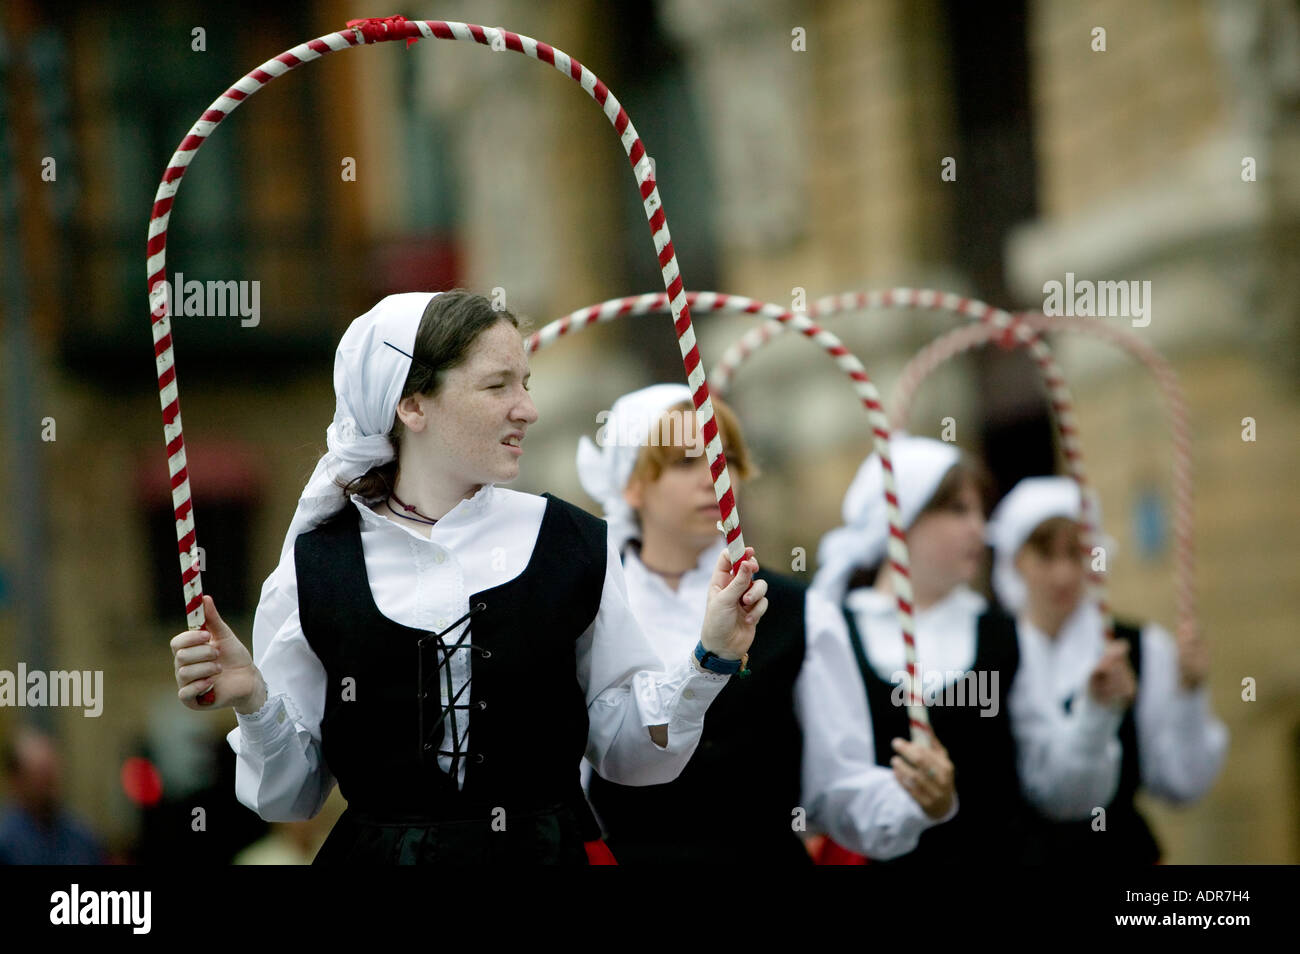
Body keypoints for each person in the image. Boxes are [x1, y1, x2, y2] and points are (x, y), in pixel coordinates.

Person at [169, 290, 768, 865]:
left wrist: (708, 658)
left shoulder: (574, 543)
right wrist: (252, 699)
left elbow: (627, 756)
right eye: (496, 385)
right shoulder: (316, 567)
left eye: (525, 384)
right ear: (412, 404)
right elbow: (289, 796)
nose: (527, 408)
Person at [577, 386, 957, 864]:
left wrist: (918, 803)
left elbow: (838, 790)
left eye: (726, 457)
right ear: (629, 483)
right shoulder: (589, 608)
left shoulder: (802, 609)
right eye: (684, 462)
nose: (714, 477)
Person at [810, 435, 1137, 865]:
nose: (980, 530)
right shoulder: (834, 633)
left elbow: (1061, 795)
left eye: (980, 511)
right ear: (901, 515)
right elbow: (816, 792)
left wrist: (1096, 713)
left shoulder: (1005, 635)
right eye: (958, 509)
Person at [987, 476, 1228, 863]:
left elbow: (1180, 783)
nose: (1063, 574)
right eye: (1045, 555)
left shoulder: (1140, 648)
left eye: (1076, 554)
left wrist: (1189, 693)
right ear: (1016, 558)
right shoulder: (987, 651)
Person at [0, 726, 106, 865]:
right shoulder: (5, 843)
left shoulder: (83, 837)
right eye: (40, 776)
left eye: (52, 774)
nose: (49, 787)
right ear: (17, 780)